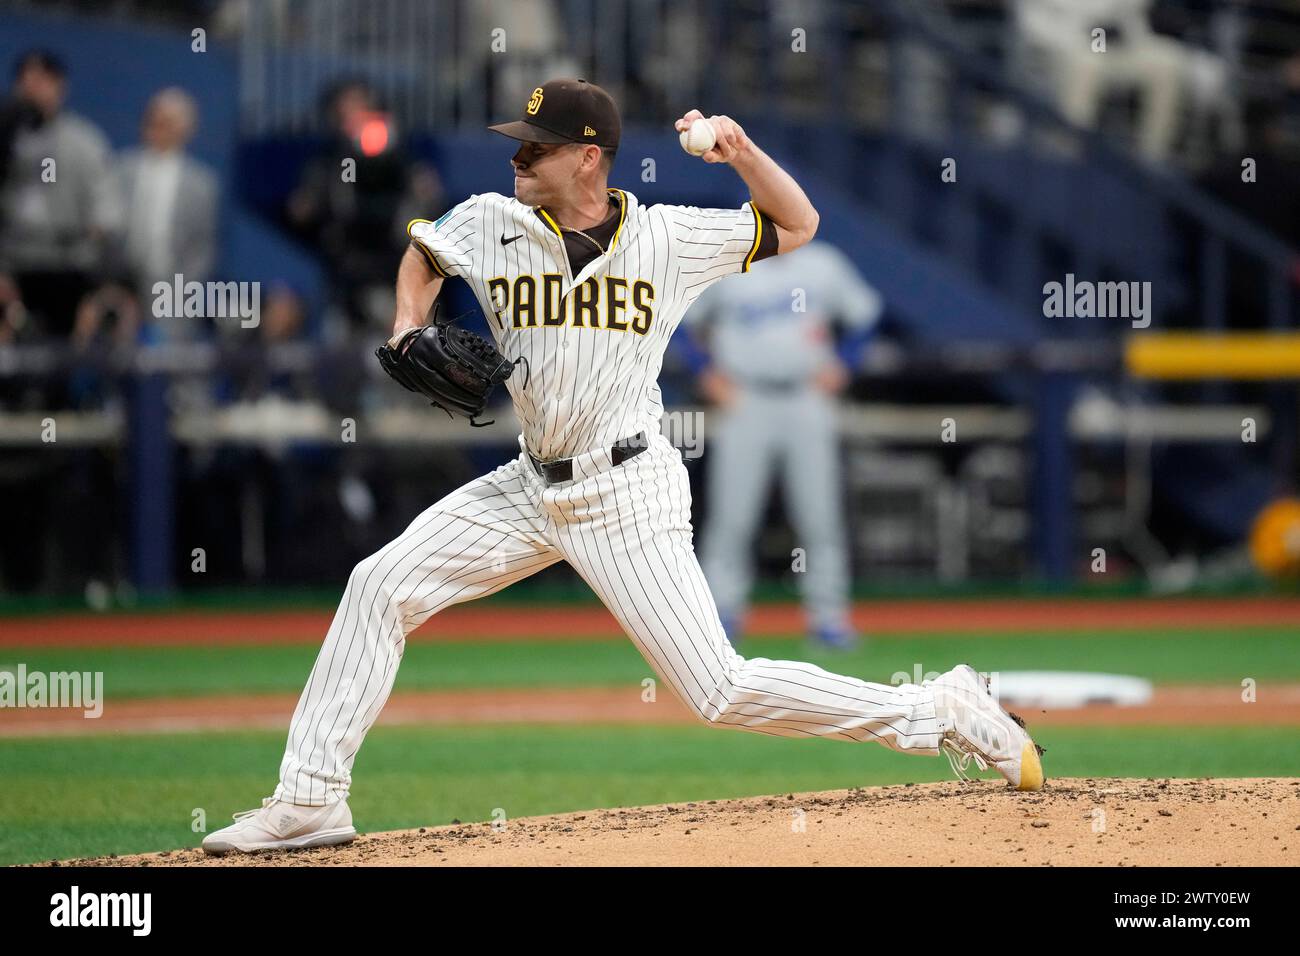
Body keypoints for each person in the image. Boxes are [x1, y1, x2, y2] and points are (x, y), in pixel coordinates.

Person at [202, 78, 1044, 855]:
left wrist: (739, 152)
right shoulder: (491, 218)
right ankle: (311, 797)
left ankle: (936, 709)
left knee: (718, 690)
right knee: (378, 587)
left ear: (588, 156)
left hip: (626, 489)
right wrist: (403, 322)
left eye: (535, 146)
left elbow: (797, 225)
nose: (517, 157)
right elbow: (425, 252)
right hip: (529, 483)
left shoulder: (668, 235)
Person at [681, 240, 881, 650]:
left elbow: (866, 315)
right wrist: (705, 372)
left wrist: (847, 362)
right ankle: (720, 615)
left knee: (820, 513)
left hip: (807, 396)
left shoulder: (823, 264)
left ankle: (829, 619)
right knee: (732, 515)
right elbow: (680, 322)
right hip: (745, 398)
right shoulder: (729, 262)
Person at [0, 50, 120, 341]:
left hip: (66, 268)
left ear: (60, 86)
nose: (32, 91)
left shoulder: (83, 142)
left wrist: (91, 273)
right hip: (11, 264)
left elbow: (107, 215)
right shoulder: (5, 136)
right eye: (26, 83)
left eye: (42, 82)